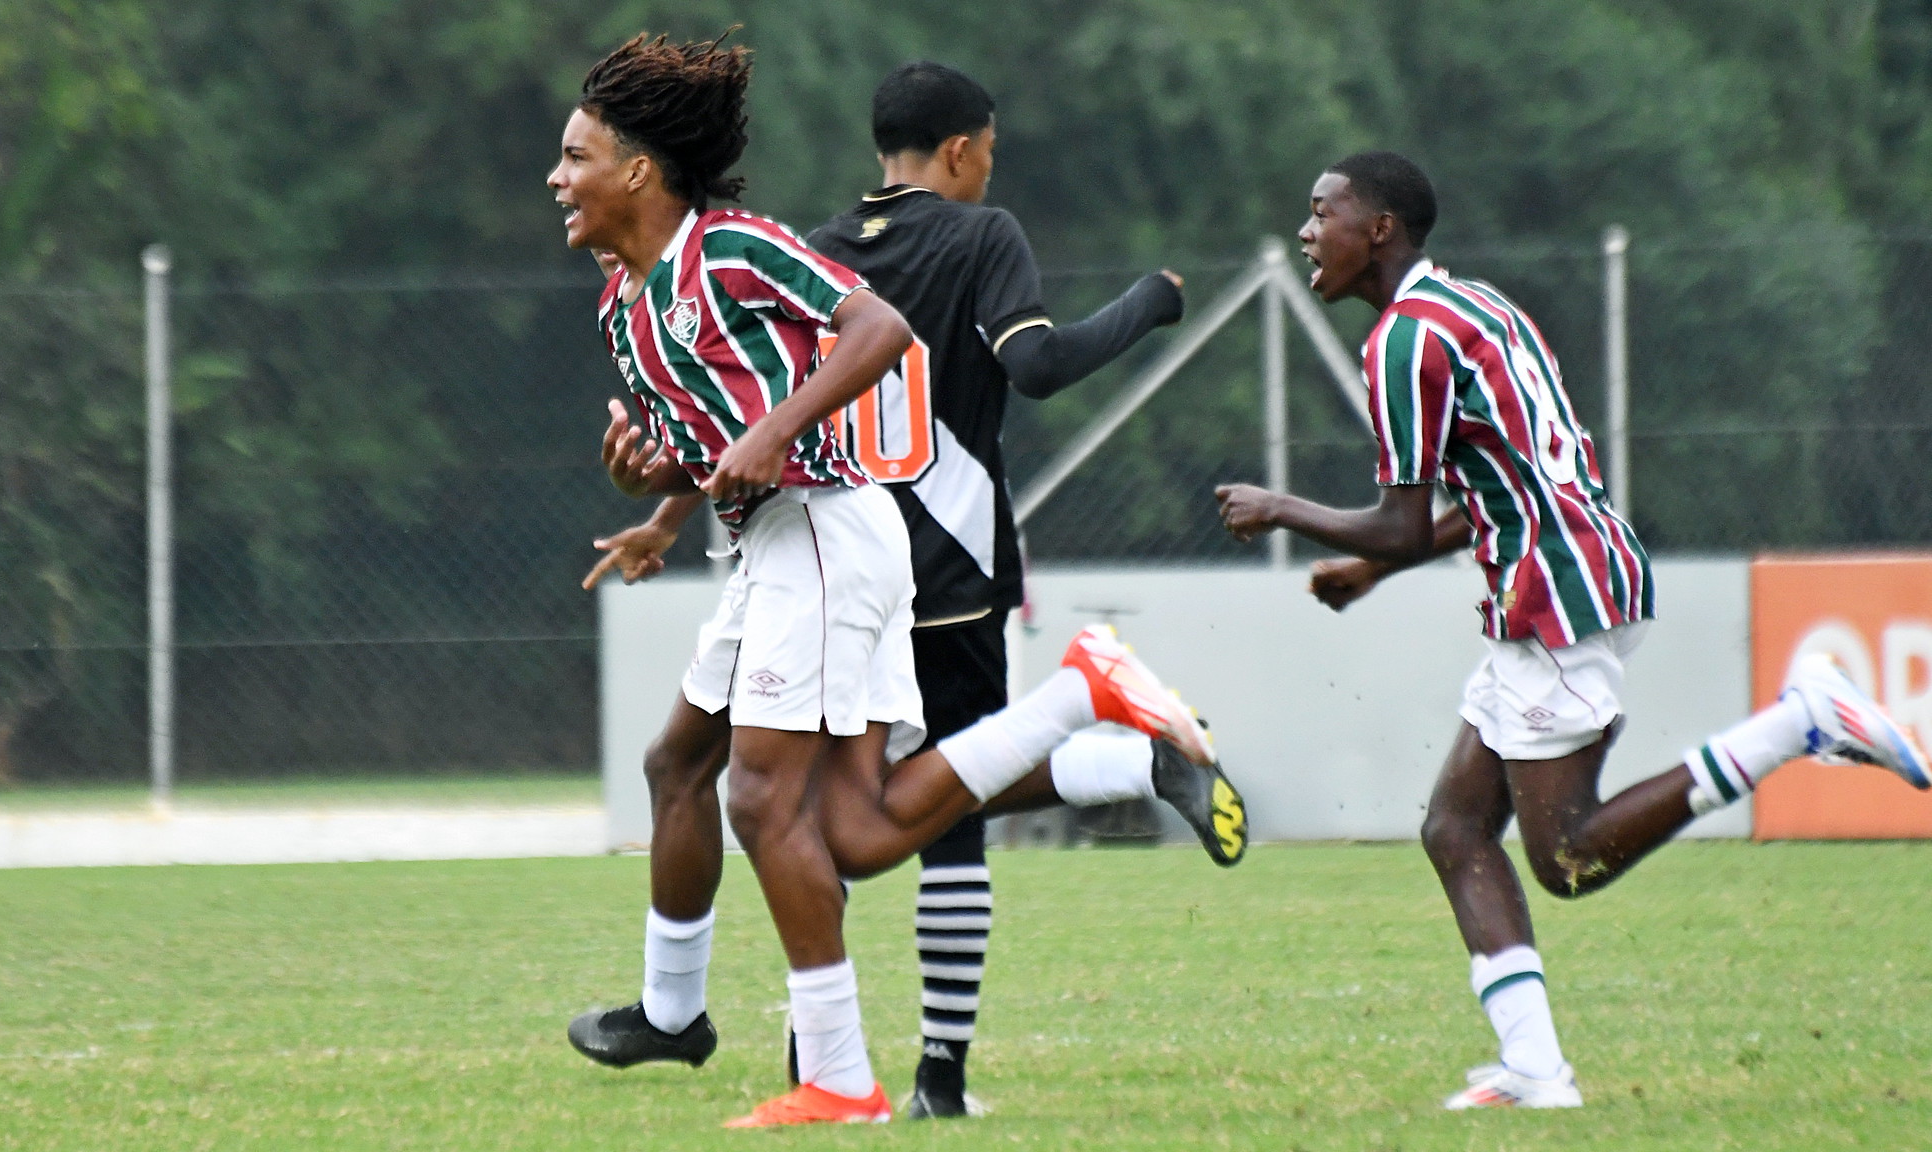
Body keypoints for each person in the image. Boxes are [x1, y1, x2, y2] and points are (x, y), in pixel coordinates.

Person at [549, 33, 1222, 1128]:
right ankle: (674, 1015)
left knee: (767, 800)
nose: (555, 178)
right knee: (717, 776)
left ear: (635, 171)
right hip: (774, 541)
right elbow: (711, 446)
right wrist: (649, 490)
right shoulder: (625, 303)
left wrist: (767, 434)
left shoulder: (735, 249)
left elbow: (878, 328)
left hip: (827, 532)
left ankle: (841, 1079)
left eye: (574, 156)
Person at [1214, 150, 1930, 1110]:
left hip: (1550, 601)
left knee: (1566, 858)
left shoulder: (1401, 342)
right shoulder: (1479, 310)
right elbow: (1498, 492)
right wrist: (1376, 568)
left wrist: (1280, 508)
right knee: (1454, 827)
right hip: (1582, 567)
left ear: (1376, 228)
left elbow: (1399, 513)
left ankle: (1799, 723)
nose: (1306, 231)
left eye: (1320, 212)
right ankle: (1534, 1072)